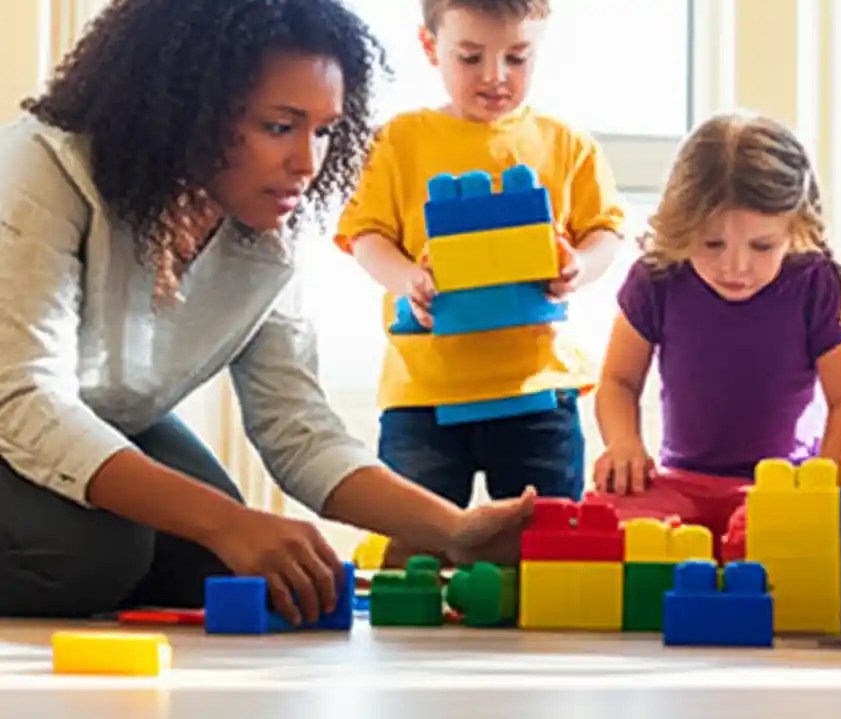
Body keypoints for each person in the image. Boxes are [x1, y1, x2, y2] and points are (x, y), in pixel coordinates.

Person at [0, 0, 532, 624]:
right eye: (280, 127)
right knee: (92, 555)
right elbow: (25, 397)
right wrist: (227, 519)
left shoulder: (264, 232)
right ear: (186, 110)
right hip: (15, 406)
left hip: (104, 415)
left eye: (325, 129)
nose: (308, 163)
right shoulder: (45, 165)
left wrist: (455, 531)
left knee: (219, 567)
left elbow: (296, 425)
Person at [335, 0, 625, 525]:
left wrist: (580, 264)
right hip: (423, 392)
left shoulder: (566, 144)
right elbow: (365, 235)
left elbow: (605, 230)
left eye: (517, 58)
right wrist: (407, 279)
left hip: (535, 389)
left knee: (548, 543)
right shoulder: (400, 141)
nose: (495, 77)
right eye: (470, 57)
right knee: (414, 545)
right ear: (431, 47)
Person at [592, 111, 841, 554]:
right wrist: (624, 444)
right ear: (682, 227)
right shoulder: (659, 277)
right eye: (712, 244)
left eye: (762, 246)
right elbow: (617, 381)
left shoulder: (813, 282)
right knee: (610, 523)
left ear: (795, 228)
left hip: (778, 485)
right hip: (679, 482)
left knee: (768, 540)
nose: (735, 266)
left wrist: (823, 483)